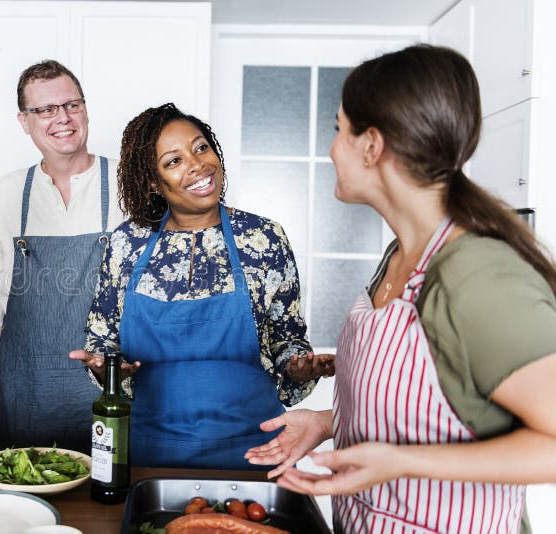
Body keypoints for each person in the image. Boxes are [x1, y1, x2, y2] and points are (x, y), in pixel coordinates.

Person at [245, 45, 556, 533]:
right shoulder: (399, 256)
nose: (332, 149)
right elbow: (428, 406)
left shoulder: (479, 276)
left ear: (371, 146)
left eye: (338, 130)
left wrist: (402, 462)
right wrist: (327, 423)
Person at [69, 103, 334, 469]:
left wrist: (300, 366)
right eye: (174, 161)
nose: (196, 165)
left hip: (257, 448)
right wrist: (107, 368)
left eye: (201, 148)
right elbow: (102, 339)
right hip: (148, 451)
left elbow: (287, 338)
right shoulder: (127, 243)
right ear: (152, 181)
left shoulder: (264, 238)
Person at [0, 60, 126, 453]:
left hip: (110, 387)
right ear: (25, 121)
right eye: (46, 109)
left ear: (85, 109)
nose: (62, 118)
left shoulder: (127, 185)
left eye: (71, 105)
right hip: (24, 391)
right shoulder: (8, 192)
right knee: (21, 488)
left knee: (109, 486)